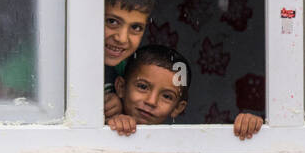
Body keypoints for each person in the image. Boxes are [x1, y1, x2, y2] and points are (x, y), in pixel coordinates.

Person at [107, 44, 264, 140]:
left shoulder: (178, 142)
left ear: (178, 108)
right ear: (121, 87)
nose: (151, 101)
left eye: (167, 96)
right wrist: (111, 126)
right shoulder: (103, 125)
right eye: (142, 87)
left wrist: (249, 125)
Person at [104, 0, 155, 121]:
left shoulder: (129, 70)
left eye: (136, 27)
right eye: (112, 22)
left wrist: (120, 105)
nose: (122, 38)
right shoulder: (62, 66)